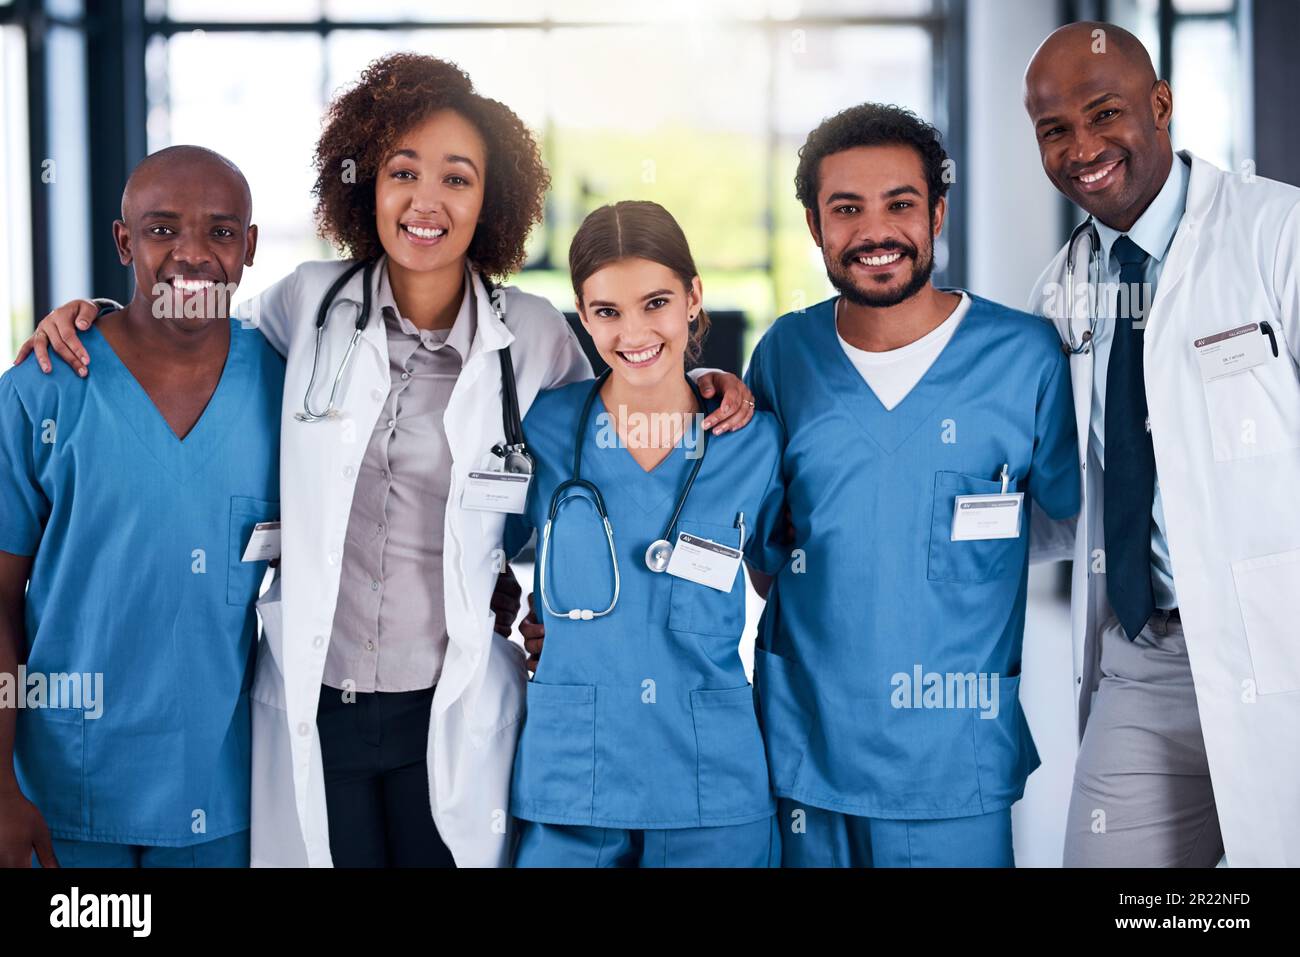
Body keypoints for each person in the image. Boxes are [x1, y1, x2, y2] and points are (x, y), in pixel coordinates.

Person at [18, 54, 756, 868]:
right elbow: (189, 327)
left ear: (492, 199)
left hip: (451, 702)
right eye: (403, 171)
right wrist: (95, 314)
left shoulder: (535, 334)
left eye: (458, 178)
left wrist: (703, 377)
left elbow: (609, 441)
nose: (426, 201)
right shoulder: (308, 301)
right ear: (368, 184)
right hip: (316, 703)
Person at [744, 104, 1079, 867]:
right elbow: (765, 554)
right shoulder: (786, 356)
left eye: (900, 203)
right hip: (804, 757)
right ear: (814, 224)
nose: (876, 231)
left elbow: (1066, 519)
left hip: (951, 768)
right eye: (846, 208)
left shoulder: (1023, 357)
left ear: (937, 211)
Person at [1024, 22, 1300, 867]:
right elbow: (1071, 498)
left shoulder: (1276, 233)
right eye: (1054, 129)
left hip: (1282, 641)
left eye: (1104, 113)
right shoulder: (1060, 295)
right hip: (1145, 659)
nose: (1083, 148)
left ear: (1161, 105)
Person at [0, 146, 282, 867]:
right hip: (62, 796)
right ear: (124, 242)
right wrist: (0, 786)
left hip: (222, 800)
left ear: (249, 248)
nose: (192, 254)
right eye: (162, 230)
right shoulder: (42, 390)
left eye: (221, 232)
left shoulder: (290, 395)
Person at [503, 201, 786, 867]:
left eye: (655, 302)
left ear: (693, 297)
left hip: (711, 784)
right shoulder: (543, 428)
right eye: (606, 311)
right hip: (572, 781)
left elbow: (784, 584)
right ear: (581, 311)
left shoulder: (752, 442)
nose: (633, 331)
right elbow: (473, 556)